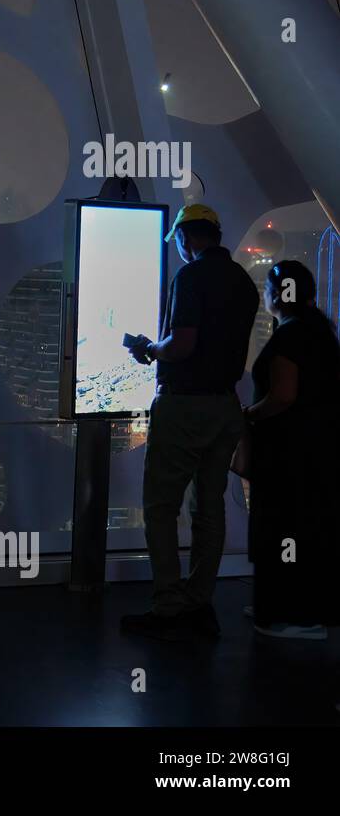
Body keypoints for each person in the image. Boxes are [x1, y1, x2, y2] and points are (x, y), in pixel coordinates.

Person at [121, 204, 260, 641]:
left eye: (179, 240)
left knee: (161, 507)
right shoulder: (243, 282)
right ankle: (200, 601)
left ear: (185, 237)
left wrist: (150, 349)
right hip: (225, 406)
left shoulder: (191, 277)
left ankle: (168, 605)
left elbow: (181, 345)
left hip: (185, 407)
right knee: (209, 507)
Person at [242, 261, 340, 639]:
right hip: (318, 451)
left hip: (288, 452)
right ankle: (303, 606)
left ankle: (293, 615)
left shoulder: (289, 336)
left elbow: (283, 394)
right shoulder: (321, 332)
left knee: (283, 528)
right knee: (307, 529)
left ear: (277, 293)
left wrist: (250, 414)